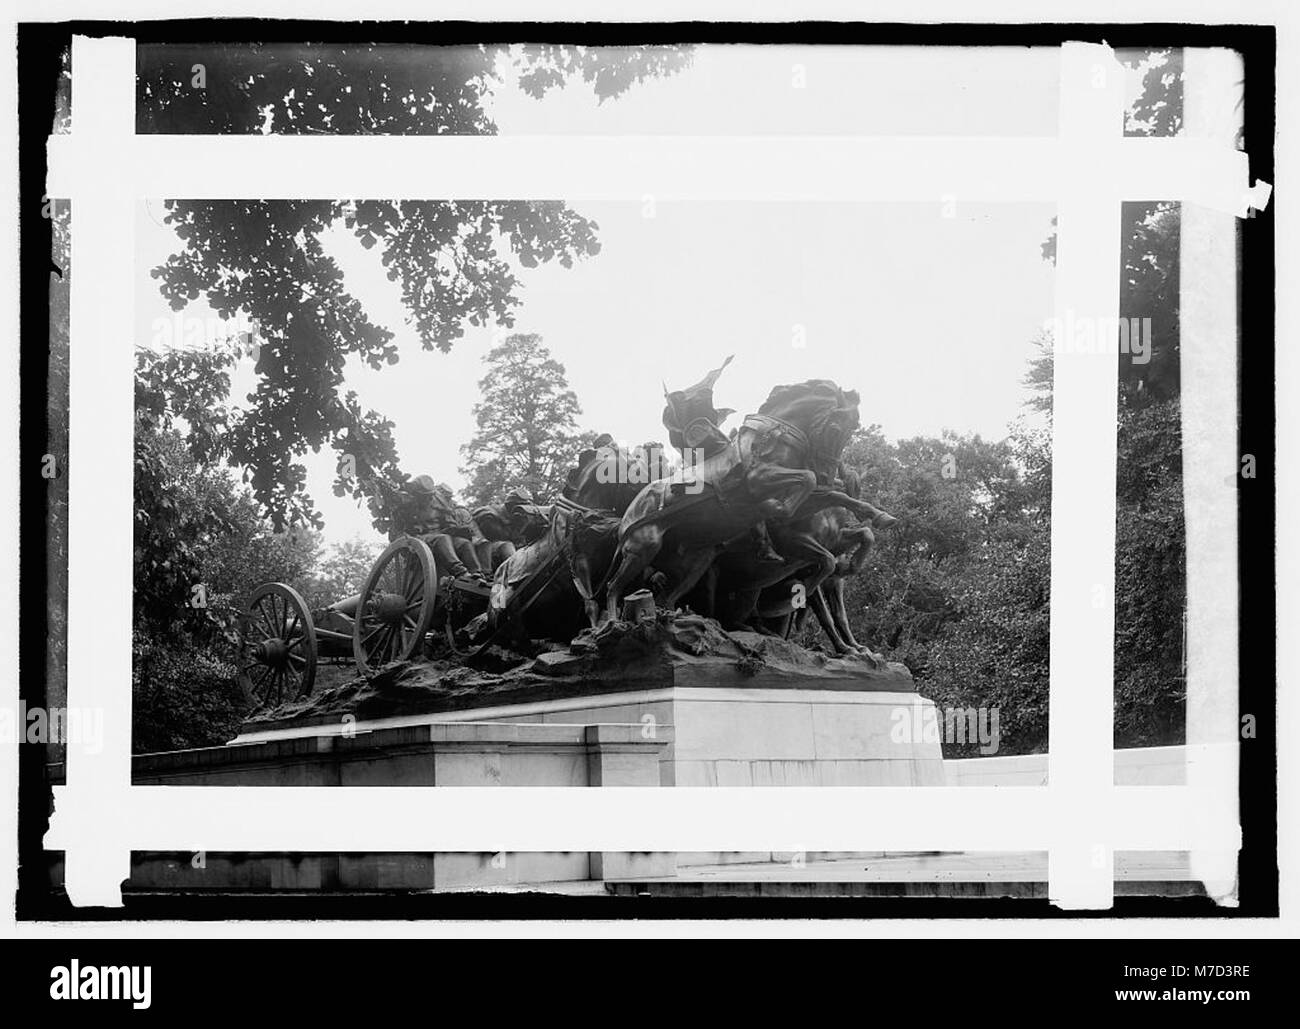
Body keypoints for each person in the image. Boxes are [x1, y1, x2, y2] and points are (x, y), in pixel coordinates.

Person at [397, 475, 488, 583]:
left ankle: (477, 574)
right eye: (425, 496)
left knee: (464, 543)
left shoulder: (439, 501)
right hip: (420, 538)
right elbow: (401, 530)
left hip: (442, 534)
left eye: (431, 495)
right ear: (417, 495)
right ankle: (460, 572)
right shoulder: (407, 505)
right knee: (442, 539)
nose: (429, 498)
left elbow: (448, 522)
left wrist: (456, 529)